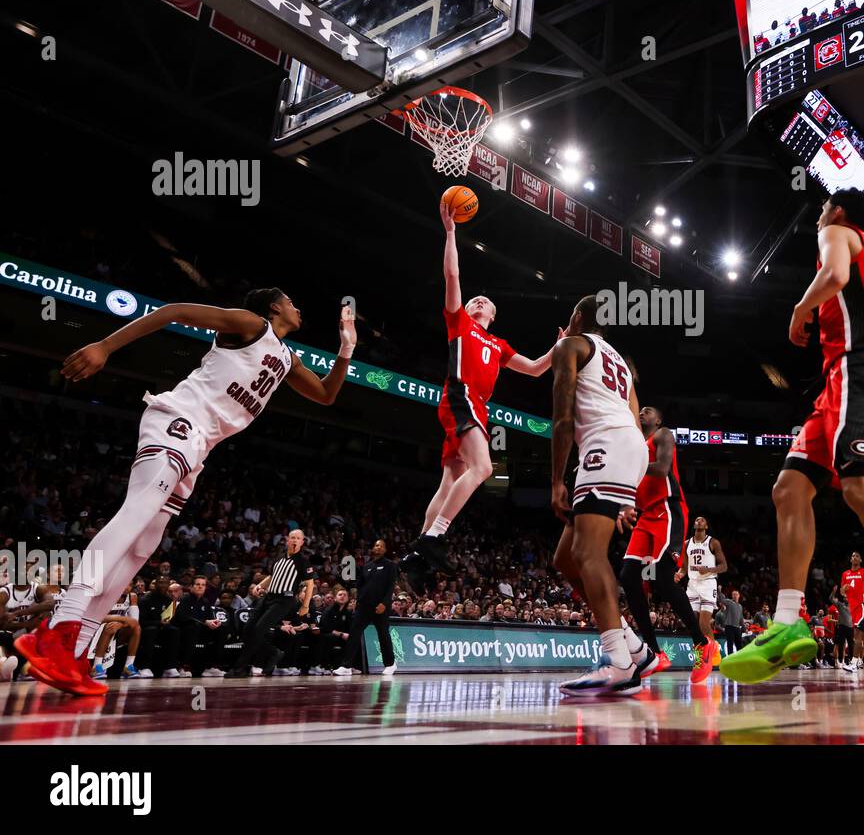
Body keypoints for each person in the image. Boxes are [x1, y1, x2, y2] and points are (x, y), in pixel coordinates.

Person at [18, 291, 355, 696]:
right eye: (291, 300)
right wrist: (105, 346)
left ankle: (76, 648)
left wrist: (346, 350)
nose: (298, 306)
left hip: (200, 447)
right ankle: (58, 626)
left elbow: (326, 395)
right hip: (179, 420)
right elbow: (174, 311)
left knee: (142, 546)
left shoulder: (286, 358)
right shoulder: (250, 324)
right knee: (135, 516)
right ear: (273, 307)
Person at [719, 191, 864, 696]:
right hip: (847, 378)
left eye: (824, 206)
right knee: (789, 488)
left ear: (839, 211)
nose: (819, 215)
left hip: (857, 369)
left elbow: (835, 278)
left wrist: (801, 310)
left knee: (861, 489)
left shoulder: (838, 235)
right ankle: (788, 622)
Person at [404, 200, 558, 583]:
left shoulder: (499, 344)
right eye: (475, 299)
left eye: (484, 302)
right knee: (485, 468)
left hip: (475, 406)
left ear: (492, 315)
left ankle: (417, 554)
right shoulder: (459, 323)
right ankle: (435, 537)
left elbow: (538, 369)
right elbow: (452, 275)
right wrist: (452, 232)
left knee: (450, 480)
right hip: (460, 397)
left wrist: (562, 346)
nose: (478, 300)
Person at [549, 295, 652, 696]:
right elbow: (633, 414)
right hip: (627, 447)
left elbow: (562, 419)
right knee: (566, 557)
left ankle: (618, 664)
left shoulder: (569, 346)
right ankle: (633, 645)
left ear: (577, 317)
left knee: (589, 554)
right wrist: (627, 489)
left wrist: (558, 480)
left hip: (604, 447)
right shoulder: (620, 362)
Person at [620, 406, 713, 681]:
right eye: (642, 409)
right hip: (646, 515)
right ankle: (653, 651)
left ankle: (702, 643)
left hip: (668, 511)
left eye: (648, 410)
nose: (643, 411)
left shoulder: (663, 435)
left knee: (662, 578)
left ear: (659, 419)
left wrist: (629, 467)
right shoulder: (635, 448)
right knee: (627, 575)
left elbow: (661, 469)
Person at [225, 530, 315, 677]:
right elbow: (273, 576)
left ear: (302, 542)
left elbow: (310, 585)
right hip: (268, 597)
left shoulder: (303, 561)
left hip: (284, 600)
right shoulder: (279, 557)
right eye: (293, 537)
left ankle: (239, 668)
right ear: (287, 540)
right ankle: (274, 653)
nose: (295, 540)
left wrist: (305, 606)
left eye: (298, 538)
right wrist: (259, 585)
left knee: (258, 631)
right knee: (248, 630)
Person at [335, 539, 399, 676]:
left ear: (385, 550)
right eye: (376, 545)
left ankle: (390, 664)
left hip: (380, 606)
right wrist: (358, 602)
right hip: (364, 606)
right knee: (354, 633)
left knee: (383, 634)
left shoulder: (390, 565)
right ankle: (346, 666)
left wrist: (384, 603)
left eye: (381, 546)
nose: (378, 547)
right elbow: (360, 586)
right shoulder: (367, 566)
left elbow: (390, 587)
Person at [678, 515, 727, 674]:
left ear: (706, 526)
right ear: (694, 525)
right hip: (692, 585)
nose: (699, 521)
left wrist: (708, 569)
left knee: (704, 624)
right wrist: (679, 574)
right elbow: (684, 568)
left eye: (702, 520)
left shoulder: (713, 542)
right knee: (692, 623)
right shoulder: (686, 544)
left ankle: (713, 650)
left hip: (708, 584)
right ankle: (701, 653)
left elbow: (724, 566)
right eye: (697, 519)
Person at [840, 551, 864, 669]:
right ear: (850, 559)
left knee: (857, 635)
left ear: (860, 560)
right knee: (859, 636)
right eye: (853, 556)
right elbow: (842, 592)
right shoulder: (845, 574)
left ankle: (853, 664)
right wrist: (843, 589)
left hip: (862, 606)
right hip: (852, 608)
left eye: (857, 556)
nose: (854, 557)